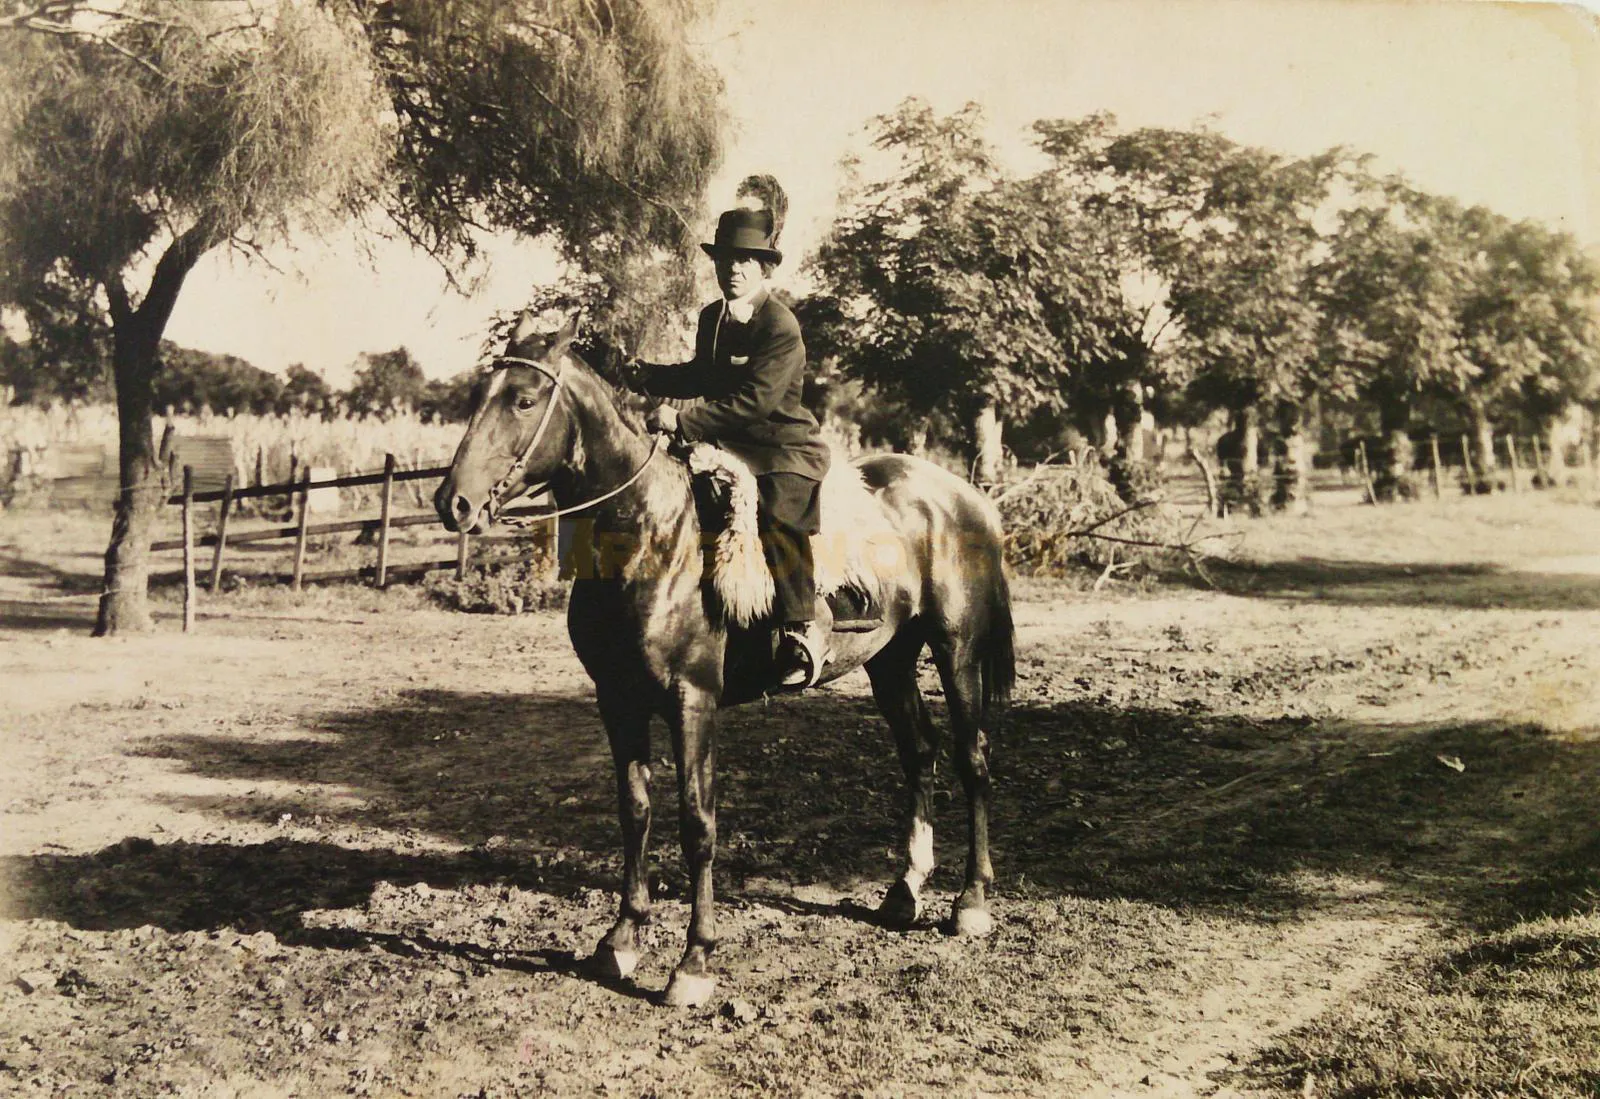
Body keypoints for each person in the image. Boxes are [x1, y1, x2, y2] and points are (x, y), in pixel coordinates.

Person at [626, 177, 831, 687]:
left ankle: (799, 629)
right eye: (724, 261)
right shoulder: (712, 317)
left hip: (780, 446)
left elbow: (757, 401)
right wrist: (641, 372)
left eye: (743, 262)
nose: (732, 270)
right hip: (726, 443)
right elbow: (700, 376)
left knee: (779, 516)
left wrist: (682, 420)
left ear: (763, 268)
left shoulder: (779, 325)